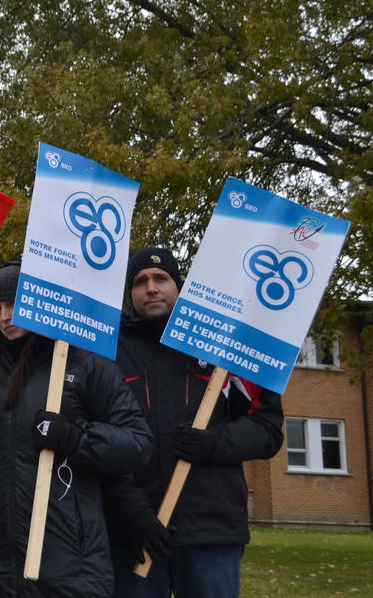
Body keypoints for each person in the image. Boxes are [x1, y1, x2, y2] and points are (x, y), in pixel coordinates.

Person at [0, 262, 152, 597]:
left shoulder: (86, 365)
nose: (4, 317)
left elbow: (138, 443)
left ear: (38, 302)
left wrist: (74, 437)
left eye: (13, 304)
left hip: (67, 564)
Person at [107, 247, 285, 598]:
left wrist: (215, 443)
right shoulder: (109, 349)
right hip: (134, 531)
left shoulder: (225, 344)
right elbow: (101, 439)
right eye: (140, 281)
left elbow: (266, 430)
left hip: (211, 531)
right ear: (130, 293)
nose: (152, 288)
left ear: (179, 285)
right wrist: (132, 512)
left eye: (161, 279)